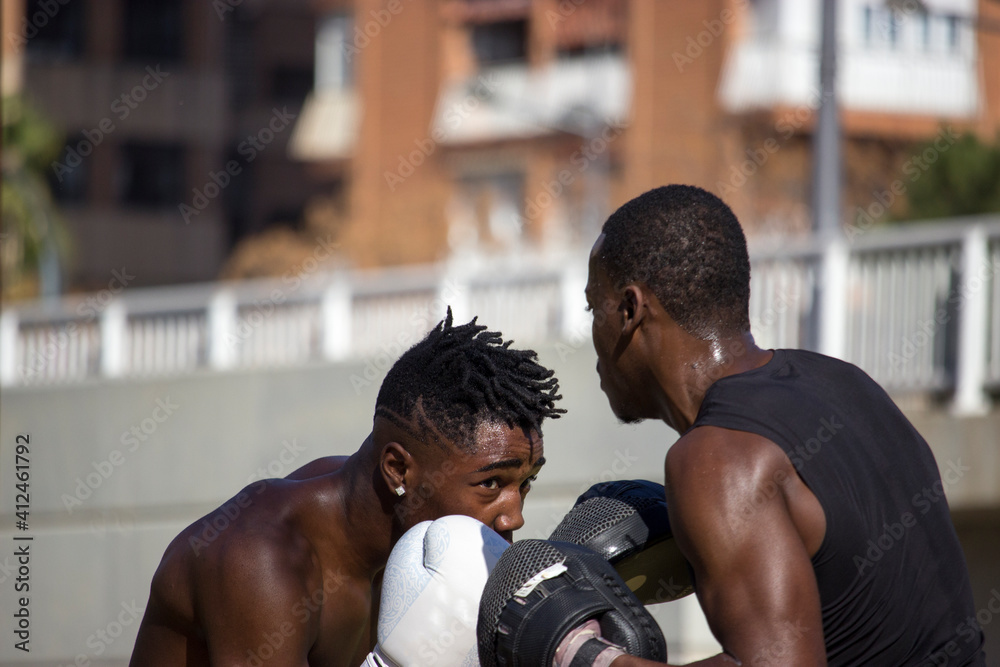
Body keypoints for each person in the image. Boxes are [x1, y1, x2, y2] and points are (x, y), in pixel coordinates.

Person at [578, 185, 984, 666]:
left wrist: (583, 656)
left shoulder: (717, 459)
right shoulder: (845, 382)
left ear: (630, 310)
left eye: (592, 309)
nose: (592, 331)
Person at [129, 310, 563, 667]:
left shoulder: (425, 545)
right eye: (490, 483)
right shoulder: (261, 559)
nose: (514, 517)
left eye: (525, 484)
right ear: (398, 470)